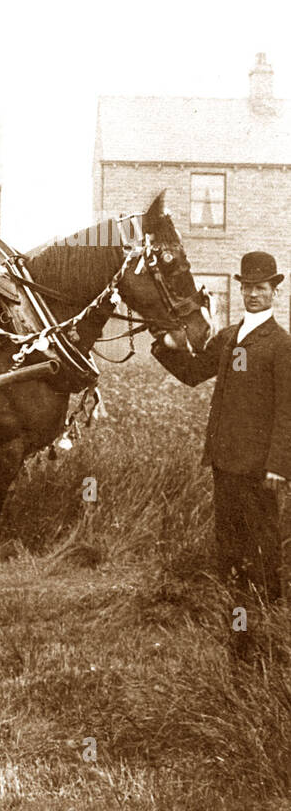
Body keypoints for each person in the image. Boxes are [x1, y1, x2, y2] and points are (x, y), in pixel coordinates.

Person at [153, 251, 291, 641]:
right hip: (224, 462)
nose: (253, 294)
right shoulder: (230, 337)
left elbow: (287, 411)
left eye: (261, 288)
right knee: (229, 541)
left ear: (273, 292)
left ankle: (266, 618)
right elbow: (195, 373)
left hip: (260, 468)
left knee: (261, 542)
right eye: (247, 287)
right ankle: (236, 614)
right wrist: (162, 346)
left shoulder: (281, 345)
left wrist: (279, 466)